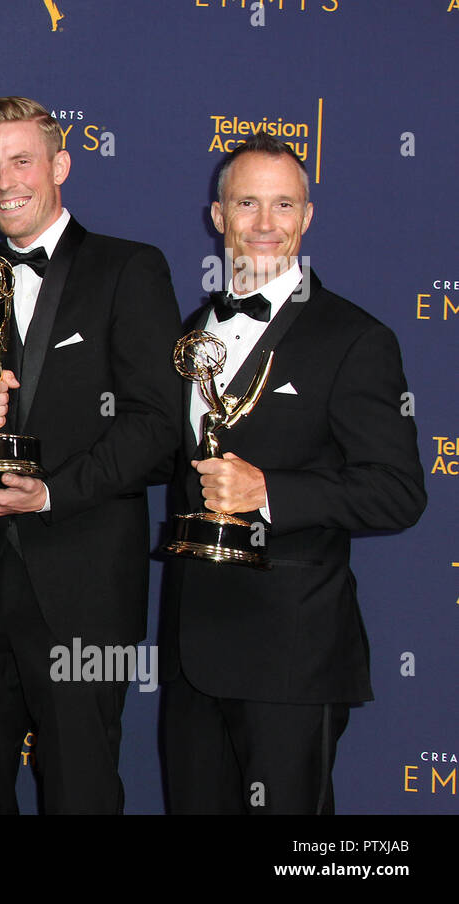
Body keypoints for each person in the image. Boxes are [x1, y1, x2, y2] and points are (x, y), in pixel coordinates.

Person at [160, 134, 426, 814]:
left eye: (284, 204)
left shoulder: (355, 340)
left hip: (291, 654)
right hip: (194, 650)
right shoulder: (191, 335)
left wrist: (270, 493)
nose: (265, 224)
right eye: (247, 203)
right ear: (217, 216)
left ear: (307, 217)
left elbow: (398, 492)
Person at [0, 96, 182, 814]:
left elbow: (157, 426)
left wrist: (49, 494)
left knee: (80, 792)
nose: (4, 180)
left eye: (21, 160)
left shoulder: (129, 269)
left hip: (85, 590)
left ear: (61, 166)